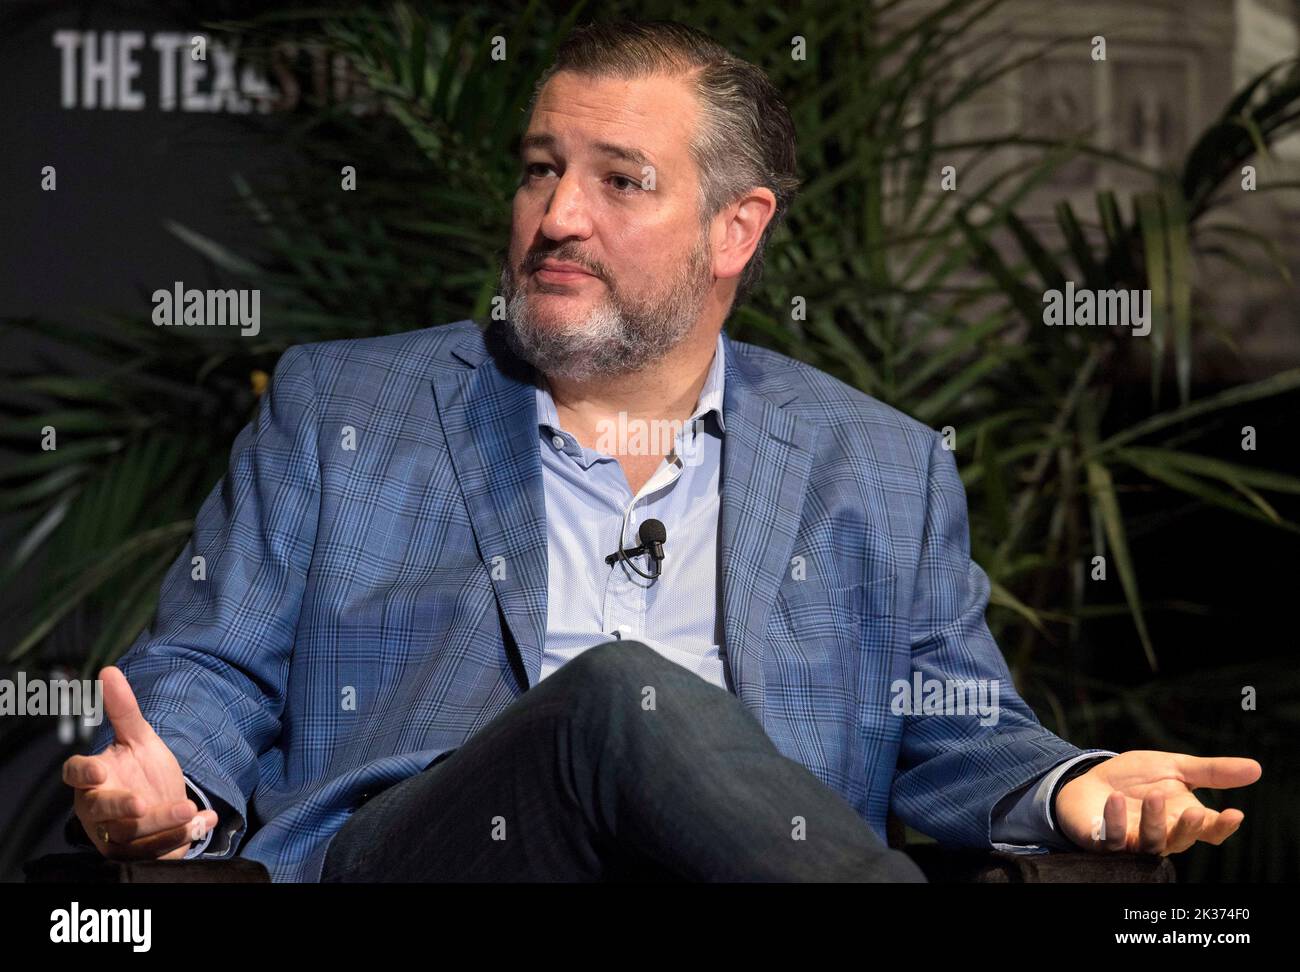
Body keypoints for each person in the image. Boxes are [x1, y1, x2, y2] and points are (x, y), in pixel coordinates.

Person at [61, 20, 1259, 882]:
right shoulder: (343, 408)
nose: (558, 215)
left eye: (617, 180)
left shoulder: (881, 466)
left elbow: (953, 728)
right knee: (625, 691)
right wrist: (175, 792)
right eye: (541, 169)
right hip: (437, 857)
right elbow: (210, 669)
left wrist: (1071, 784)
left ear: (736, 229)